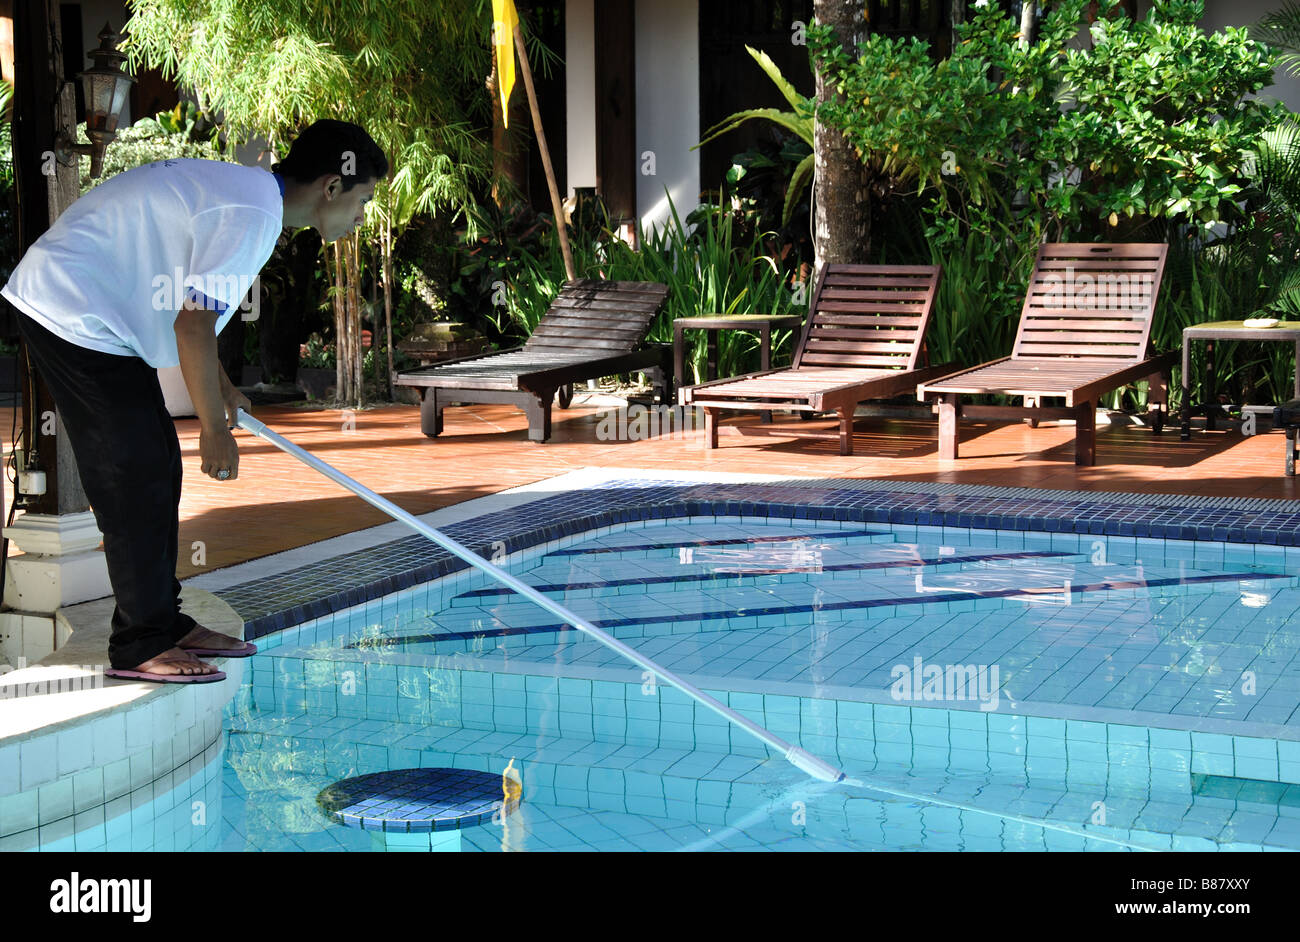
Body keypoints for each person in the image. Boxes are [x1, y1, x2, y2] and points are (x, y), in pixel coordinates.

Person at [1, 119, 387, 682]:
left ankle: (163, 621)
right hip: (68, 308)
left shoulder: (254, 201)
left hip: (96, 316)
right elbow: (191, 326)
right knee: (131, 471)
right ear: (331, 187)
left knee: (156, 461)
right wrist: (213, 427)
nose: (360, 216)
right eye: (363, 200)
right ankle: (139, 645)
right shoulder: (255, 214)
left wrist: (223, 389)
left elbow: (193, 315)